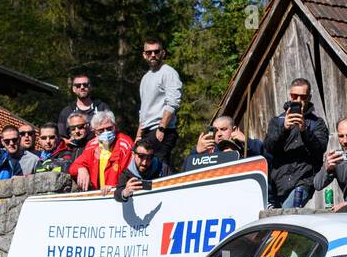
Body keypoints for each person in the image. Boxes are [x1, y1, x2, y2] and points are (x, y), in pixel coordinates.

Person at [262, 78, 328, 207]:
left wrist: (304, 130)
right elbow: (268, 148)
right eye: (294, 96)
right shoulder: (277, 121)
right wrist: (284, 129)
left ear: (309, 98)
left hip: (303, 182)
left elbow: (320, 149)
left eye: (302, 97)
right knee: (280, 223)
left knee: (286, 217)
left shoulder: (317, 123)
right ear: (289, 95)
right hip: (278, 184)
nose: (298, 100)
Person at [135, 37, 182, 170]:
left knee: (159, 167)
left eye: (156, 51)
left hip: (162, 130)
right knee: (143, 166)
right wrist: (139, 134)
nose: (153, 55)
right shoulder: (146, 77)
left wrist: (162, 128)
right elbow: (143, 110)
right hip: (147, 131)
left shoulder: (168, 73)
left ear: (163, 53)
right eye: (149, 52)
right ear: (144, 55)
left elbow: (172, 102)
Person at [68, 109, 134, 192]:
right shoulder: (91, 145)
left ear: (115, 127)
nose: (106, 132)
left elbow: (130, 173)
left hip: (119, 192)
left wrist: (114, 187)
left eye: (109, 128)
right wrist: (81, 168)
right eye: (101, 130)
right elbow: (73, 167)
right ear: (94, 132)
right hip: (99, 194)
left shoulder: (125, 144)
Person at [179, 115, 262, 173]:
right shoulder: (207, 152)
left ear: (234, 129)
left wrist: (247, 141)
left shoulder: (248, 147)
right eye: (216, 130)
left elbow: (266, 155)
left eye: (223, 129)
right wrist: (196, 151)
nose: (219, 134)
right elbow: (185, 171)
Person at [57, 74, 109, 141]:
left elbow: (112, 130)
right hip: (75, 150)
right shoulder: (66, 111)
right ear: (73, 89)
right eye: (78, 85)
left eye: (85, 85)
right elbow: (61, 136)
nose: (82, 87)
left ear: (90, 87)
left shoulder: (102, 108)